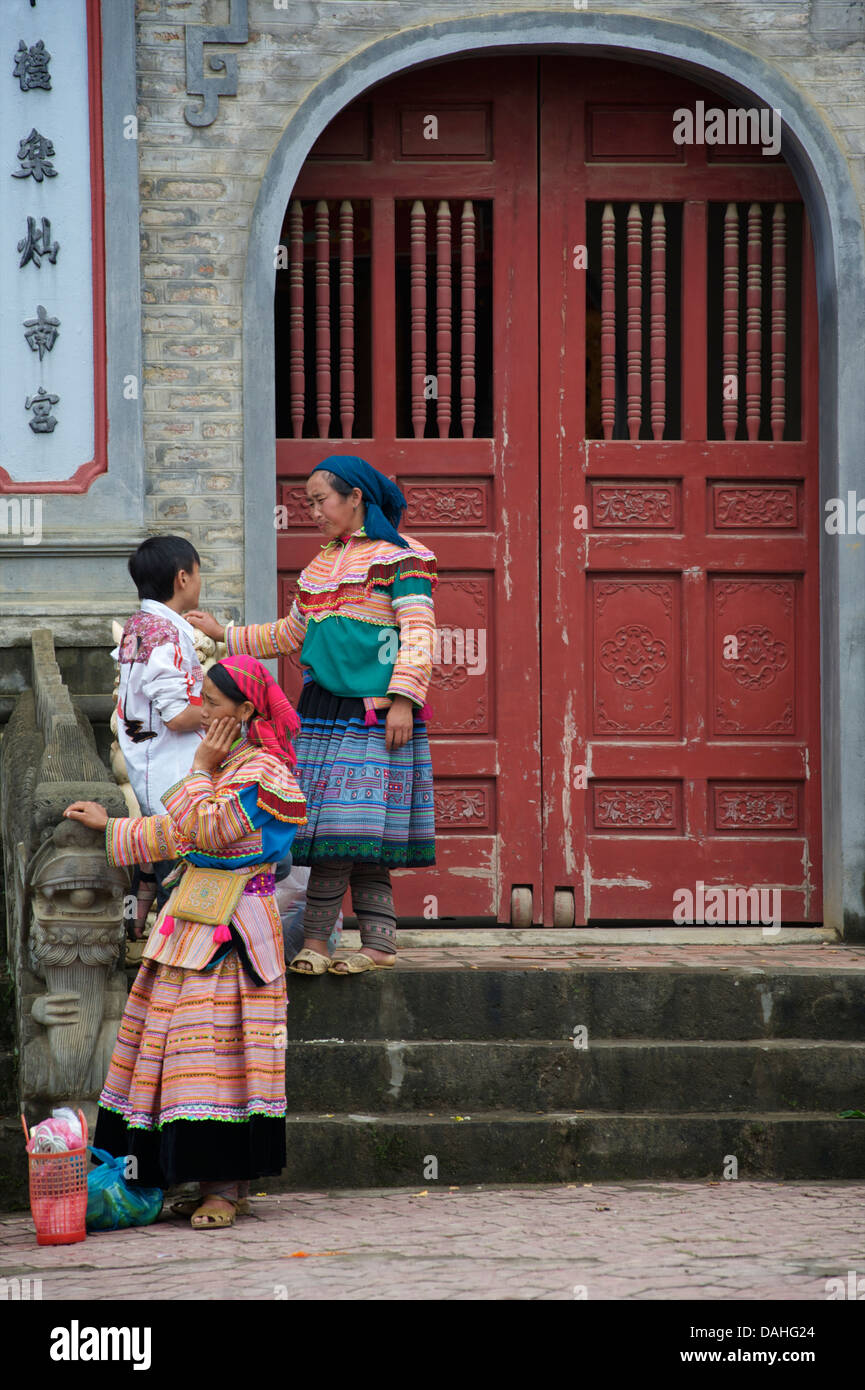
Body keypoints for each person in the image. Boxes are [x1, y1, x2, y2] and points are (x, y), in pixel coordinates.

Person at [63, 655, 307, 1229]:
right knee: (176, 1052)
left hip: (236, 932)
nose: (201, 711)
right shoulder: (222, 769)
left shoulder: (266, 774)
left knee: (221, 1054)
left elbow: (208, 828)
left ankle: (226, 1189)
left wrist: (198, 766)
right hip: (188, 922)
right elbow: (178, 833)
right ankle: (195, 1179)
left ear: (246, 710)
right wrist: (112, 826)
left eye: (213, 703)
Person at [188, 455, 437, 976]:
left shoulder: (403, 559)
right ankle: (378, 945)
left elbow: (417, 630)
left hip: (374, 712)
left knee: (345, 829)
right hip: (322, 712)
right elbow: (289, 636)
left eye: (321, 501)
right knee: (343, 832)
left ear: (355, 498)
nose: (314, 512)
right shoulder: (319, 566)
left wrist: (404, 700)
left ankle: (319, 944)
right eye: (309, 503)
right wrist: (223, 635)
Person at [114, 535, 206, 939]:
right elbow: (179, 715)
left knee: (162, 863)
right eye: (199, 573)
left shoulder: (139, 625)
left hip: (150, 767)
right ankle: (173, 969)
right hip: (173, 774)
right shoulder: (164, 634)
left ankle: (143, 939)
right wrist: (230, 715)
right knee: (182, 881)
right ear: (183, 577)